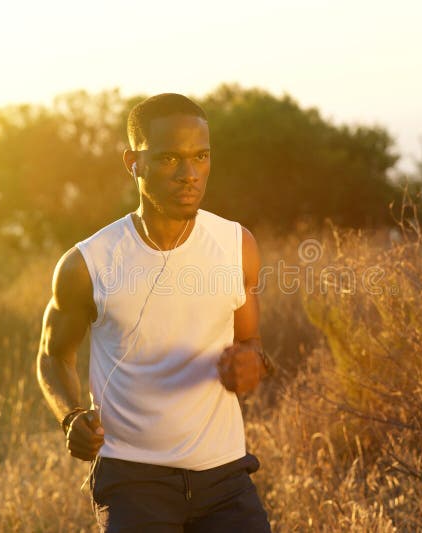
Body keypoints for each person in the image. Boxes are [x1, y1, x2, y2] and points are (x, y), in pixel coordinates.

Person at [36, 93, 273, 532]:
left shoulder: (236, 245)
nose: (190, 175)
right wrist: (70, 416)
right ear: (134, 161)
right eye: (169, 159)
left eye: (201, 157)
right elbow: (53, 356)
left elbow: (251, 344)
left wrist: (251, 364)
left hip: (224, 476)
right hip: (132, 480)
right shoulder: (88, 263)